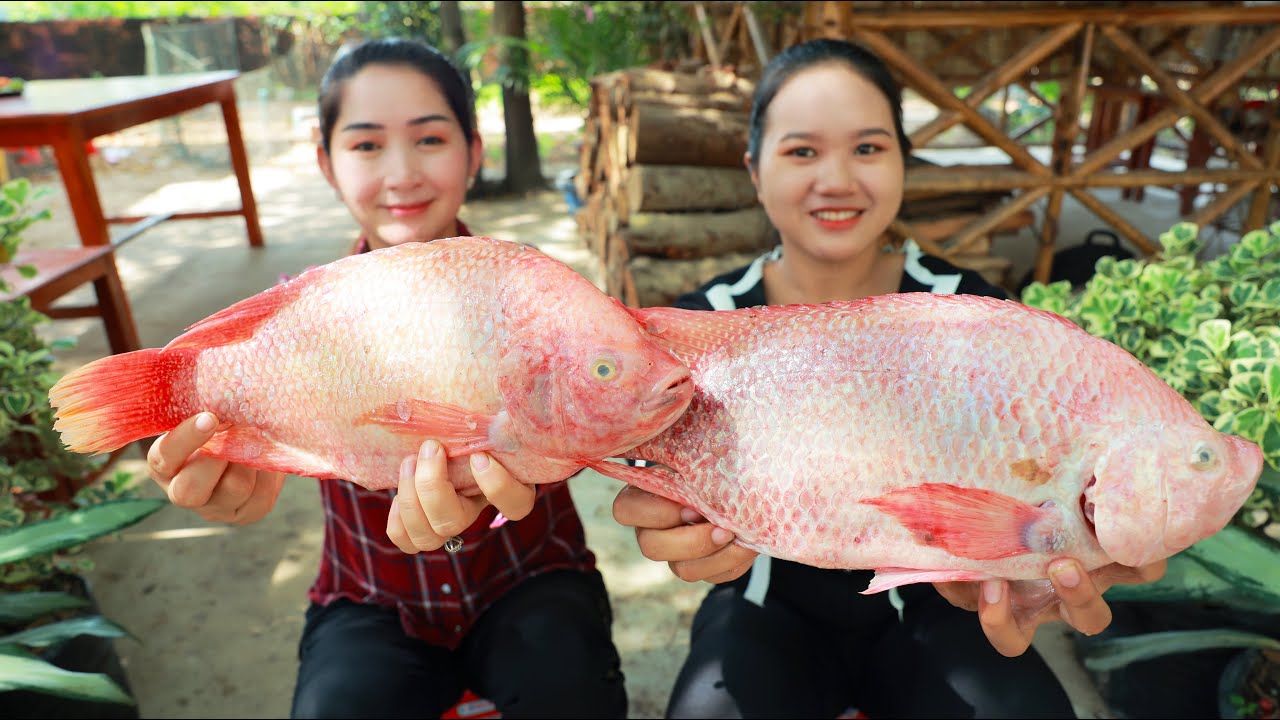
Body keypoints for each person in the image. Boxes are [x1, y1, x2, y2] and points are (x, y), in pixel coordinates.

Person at [609, 38, 1167, 719]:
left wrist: (1035, 570)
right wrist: (672, 524)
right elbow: (639, 461)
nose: (837, 179)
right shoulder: (706, 328)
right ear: (754, 170)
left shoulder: (971, 313)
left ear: (905, 161)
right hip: (761, 604)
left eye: (868, 148)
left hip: (942, 604)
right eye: (802, 151)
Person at [144, 38, 627, 719]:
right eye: (367, 146)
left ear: (474, 150)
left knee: (576, 693)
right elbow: (255, 442)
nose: (402, 174)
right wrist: (244, 463)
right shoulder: (290, 322)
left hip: (532, 575)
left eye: (430, 138)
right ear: (326, 162)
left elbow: (599, 405)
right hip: (369, 595)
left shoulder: (539, 294)